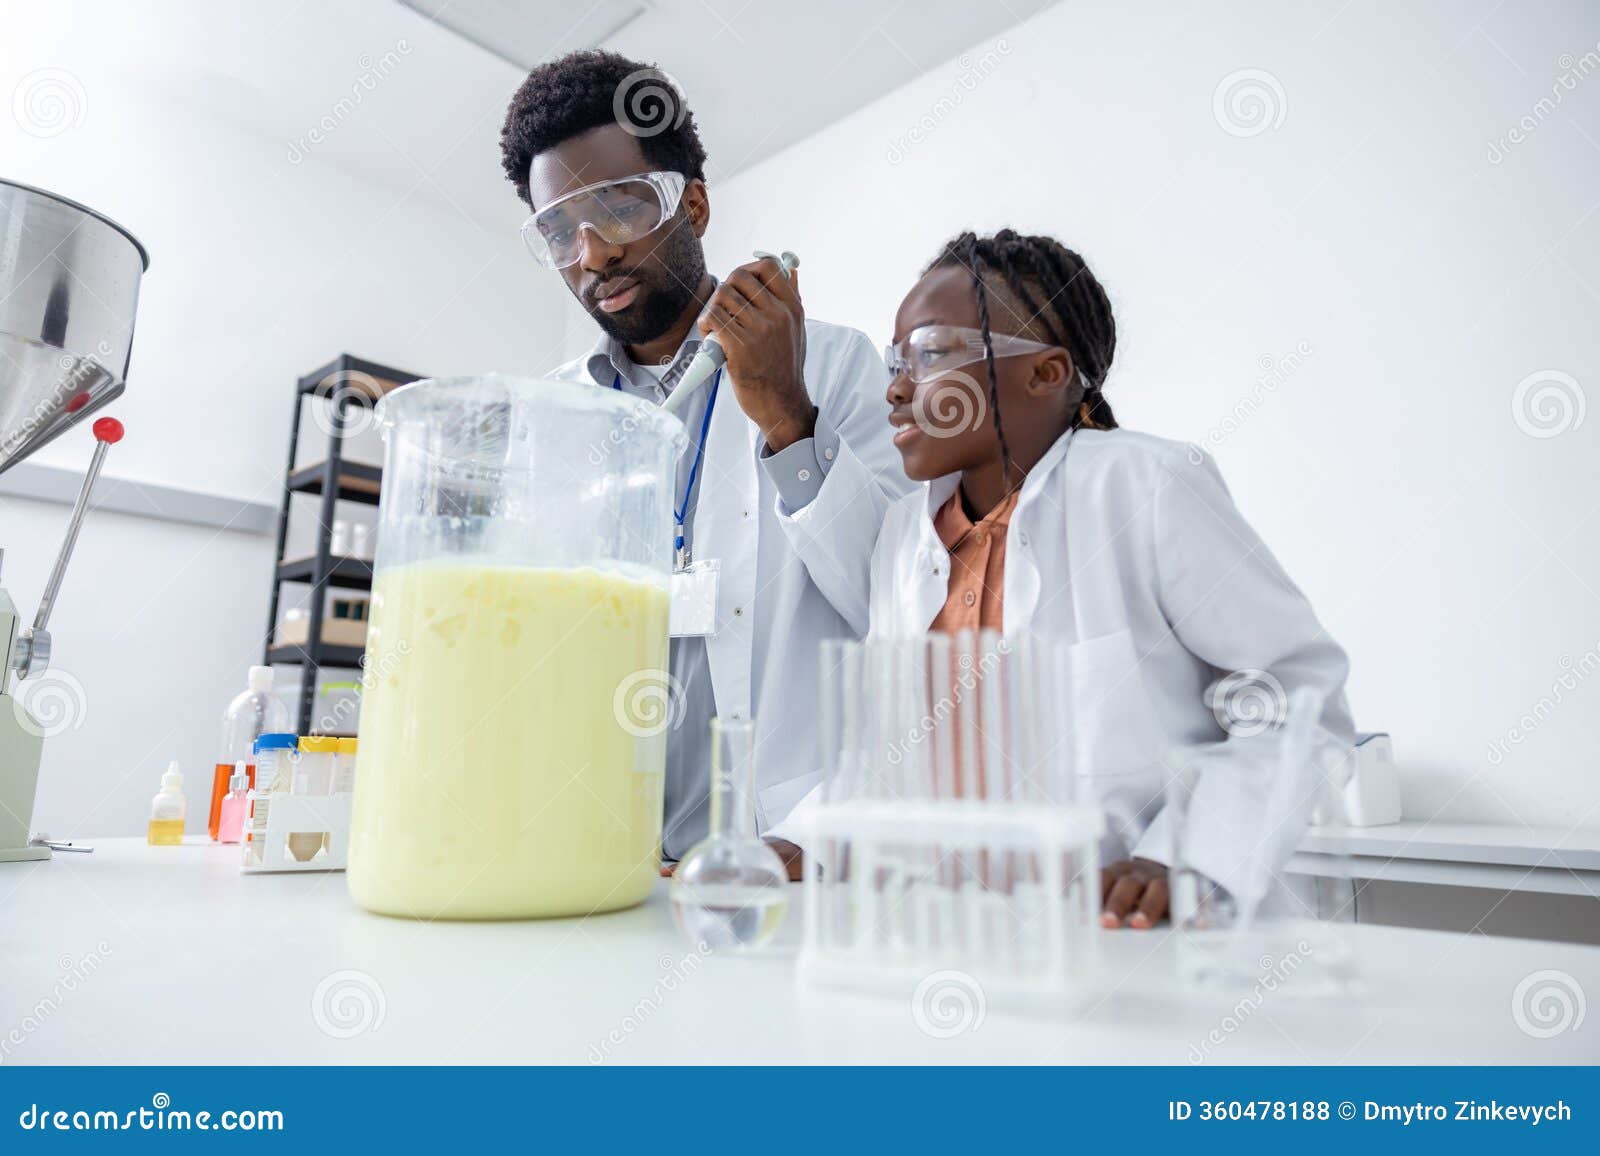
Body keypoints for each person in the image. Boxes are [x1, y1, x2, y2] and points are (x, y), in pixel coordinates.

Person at [864, 228, 1356, 927]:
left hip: (1154, 938)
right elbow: (898, 746)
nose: (897, 388)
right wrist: (803, 836)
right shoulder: (902, 540)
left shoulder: (1143, 486)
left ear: (1046, 372)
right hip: (978, 940)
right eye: (895, 360)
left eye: (931, 353)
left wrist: (1183, 856)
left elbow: (1295, 702)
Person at [499, 51, 907, 875]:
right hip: (600, 854)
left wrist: (787, 413)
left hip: (779, 852)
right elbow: (527, 645)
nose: (592, 253)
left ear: (693, 205)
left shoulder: (832, 366)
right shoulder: (550, 416)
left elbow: (899, 603)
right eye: (558, 231)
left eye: (619, 207)